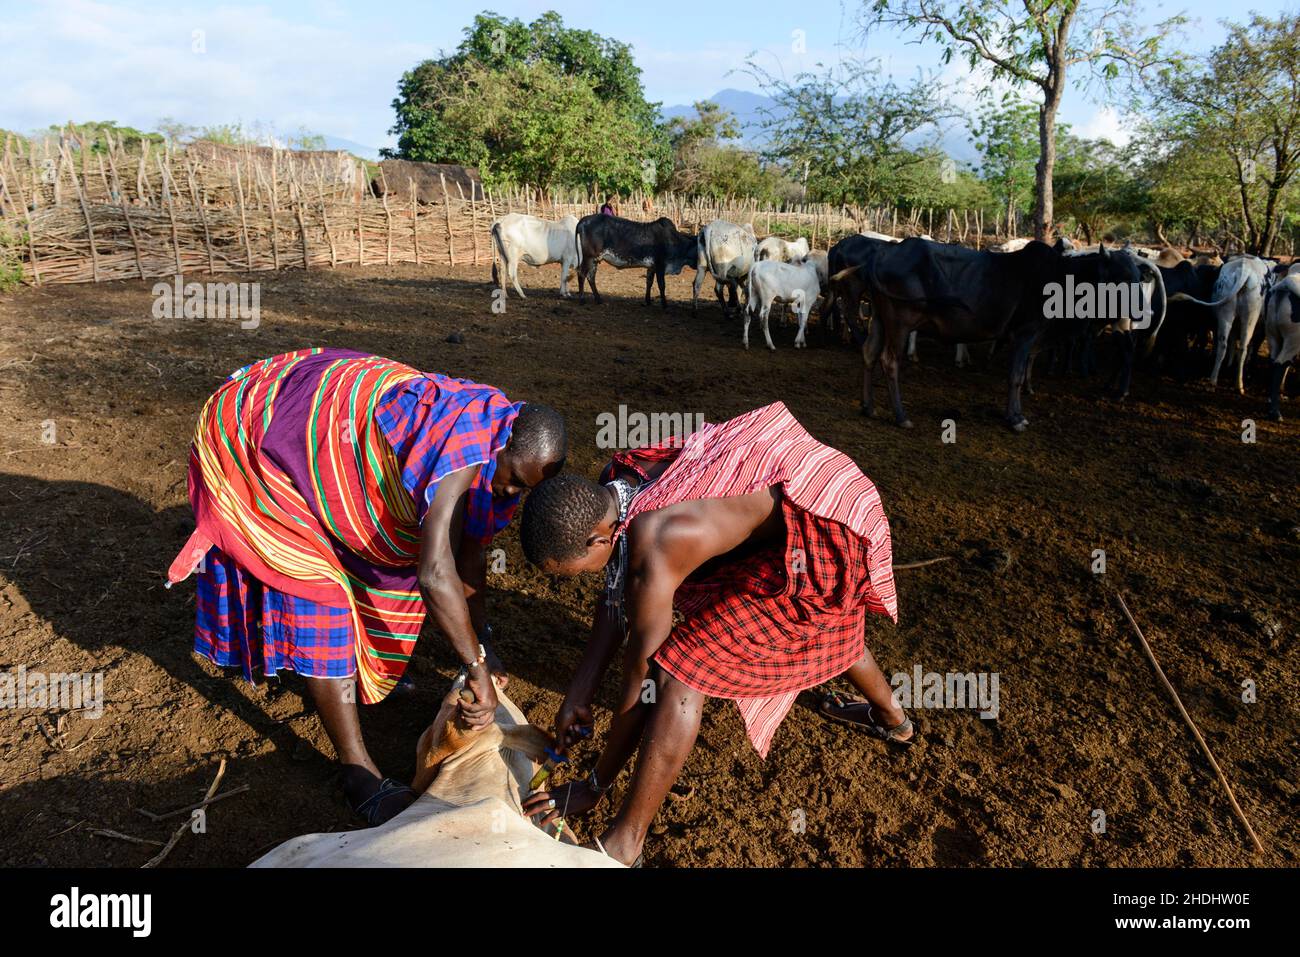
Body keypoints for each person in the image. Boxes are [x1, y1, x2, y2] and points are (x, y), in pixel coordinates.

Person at [167, 347, 566, 824]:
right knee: (323, 598)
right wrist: (474, 666)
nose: (511, 495)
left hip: (337, 439)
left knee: (383, 561)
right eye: (513, 482)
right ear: (500, 446)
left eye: (524, 490)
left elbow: (469, 553)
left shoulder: (495, 444)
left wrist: (483, 643)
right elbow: (435, 574)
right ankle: (357, 771)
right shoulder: (464, 453)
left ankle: (349, 674)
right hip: (267, 435)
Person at [517, 402, 904, 865]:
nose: (581, 579)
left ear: (599, 541)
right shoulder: (616, 484)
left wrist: (594, 785)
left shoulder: (657, 545)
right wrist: (579, 690)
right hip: (818, 484)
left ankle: (624, 845)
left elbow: (641, 677)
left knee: (680, 673)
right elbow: (616, 595)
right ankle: (894, 719)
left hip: (832, 519)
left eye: (571, 572)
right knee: (818, 617)